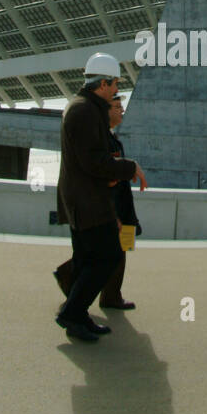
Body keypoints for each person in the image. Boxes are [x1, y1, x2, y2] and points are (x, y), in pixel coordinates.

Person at [54, 53, 147, 341]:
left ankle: (77, 314)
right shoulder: (85, 112)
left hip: (85, 201)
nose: (117, 89)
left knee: (86, 258)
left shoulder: (84, 108)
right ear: (103, 83)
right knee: (107, 256)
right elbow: (94, 161)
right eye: (115, 83)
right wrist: (129, 167)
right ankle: (72, 312)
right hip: (89, 203)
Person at [53, 95, 140, 309]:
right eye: (117, 107)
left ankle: (112, 295)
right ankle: (71, 282)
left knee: (122, 251)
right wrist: (114, 215)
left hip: (124, 207)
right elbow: (103, 178)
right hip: (112, 208)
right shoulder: (104, 141)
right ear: (104, 111)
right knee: (103, 254)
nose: (121, 111)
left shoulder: (111, 137)